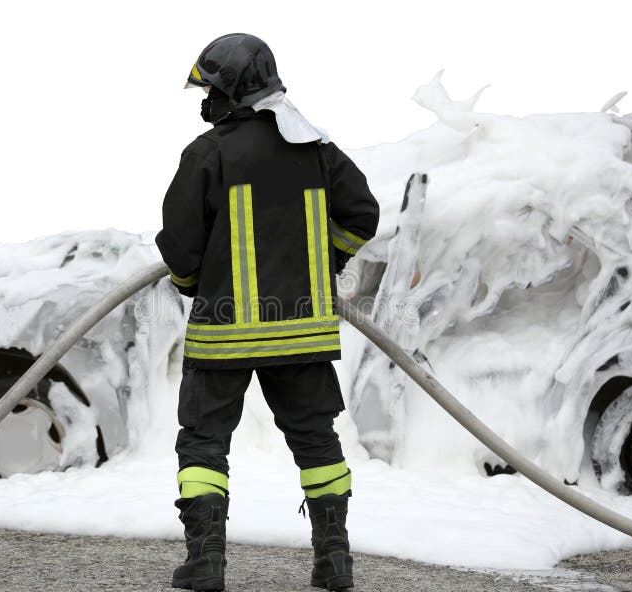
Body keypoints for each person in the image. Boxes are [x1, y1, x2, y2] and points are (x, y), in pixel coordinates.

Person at [155, 33, 379, 592]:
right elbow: (361, 215)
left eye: (208, 86)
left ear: (231, 87)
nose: (204, 98)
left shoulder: (208, 154)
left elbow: (180, 245)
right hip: (300, 333)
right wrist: (319, 263)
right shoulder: (316, 147)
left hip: (223, 334)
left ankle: (205, 564)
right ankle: (335, 563)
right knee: (318, 443)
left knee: (204, 444)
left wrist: (194, 283)